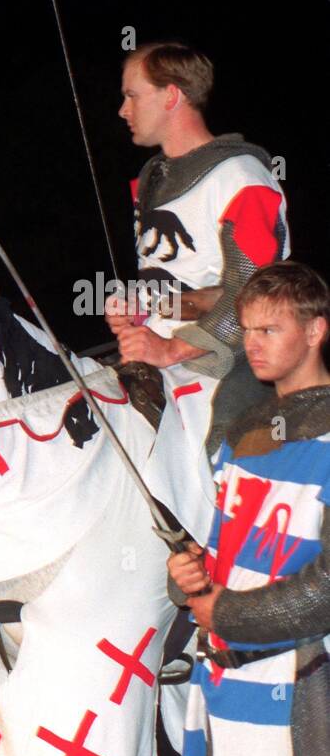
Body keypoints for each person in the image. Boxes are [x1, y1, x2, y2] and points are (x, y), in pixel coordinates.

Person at [166, 260, 330, 756]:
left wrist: (226, 611)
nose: (252, 347)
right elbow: (218, 547)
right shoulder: (243, 431)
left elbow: (329, 587)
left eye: (270, 331)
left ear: (315, 331)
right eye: (247, 330)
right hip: (225, 681)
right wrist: (188, 573)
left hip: (301, 686)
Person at [105, 41, 289, 451]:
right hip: (161, 358)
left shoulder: (240, 177)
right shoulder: (151, 179)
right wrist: (142, 306)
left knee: (230, 464)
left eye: (132, 95)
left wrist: (172, 348)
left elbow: (254, 292)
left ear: (171, 94)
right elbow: (186, 283)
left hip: (231, 363)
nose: (123, 109)